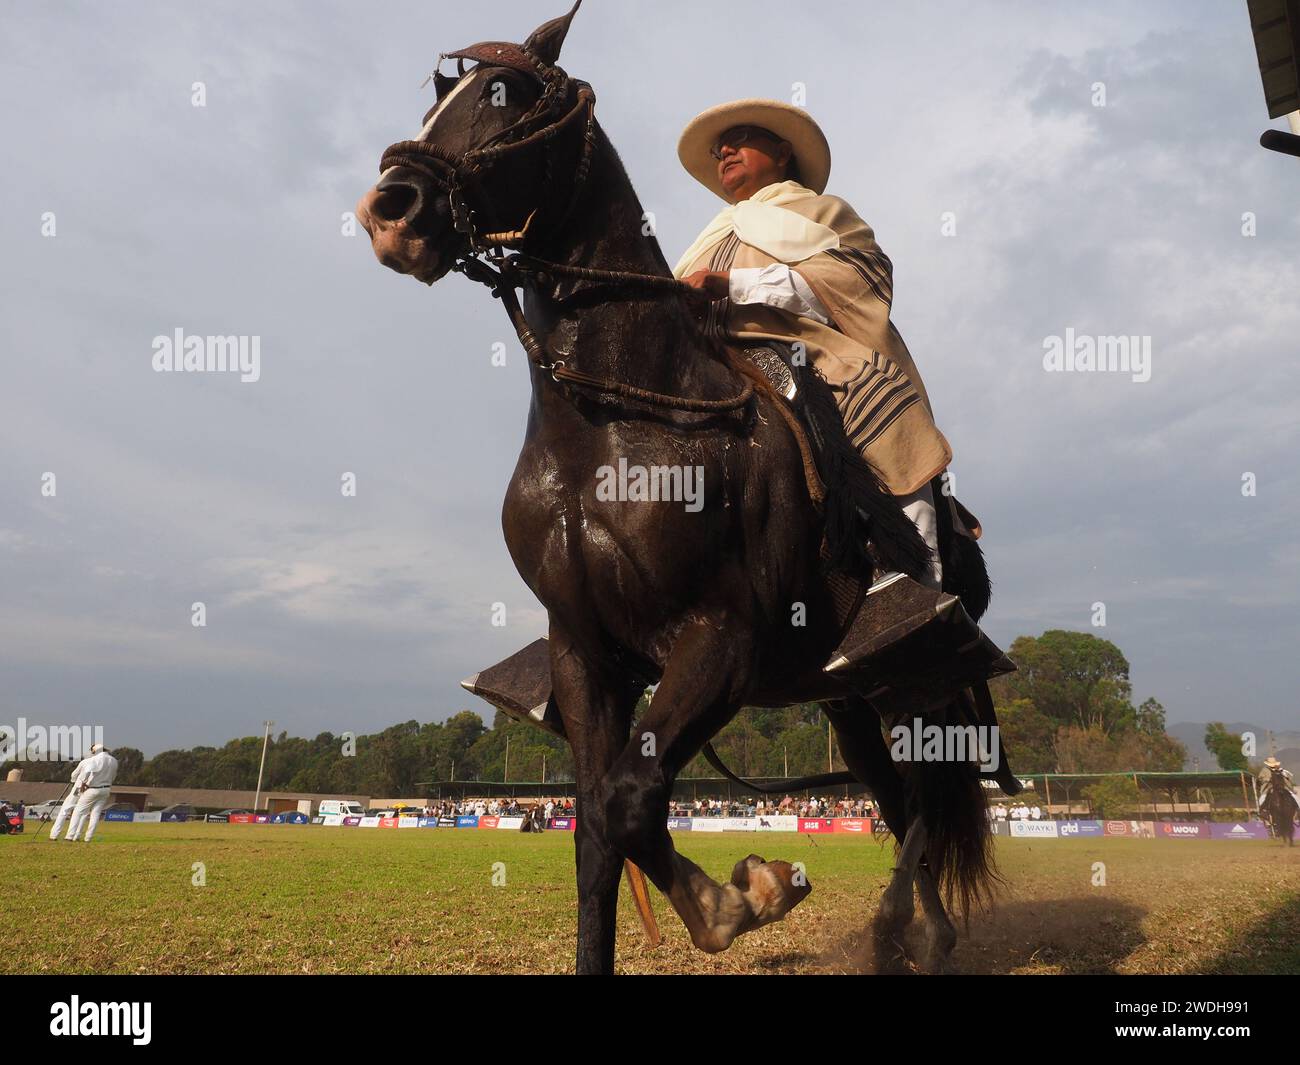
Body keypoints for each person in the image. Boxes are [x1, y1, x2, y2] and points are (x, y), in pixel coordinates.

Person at [674, 99, 982, 589]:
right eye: (718, 149)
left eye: (741, 138)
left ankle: (915, 585)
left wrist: (731, 285)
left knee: (881, 398)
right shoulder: (704, 239)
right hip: (706, 356)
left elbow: (860, 277)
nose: (725, 151)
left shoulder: (825, 212)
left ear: (781, 151)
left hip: (803, 344)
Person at [64, 743, 119, 843]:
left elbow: (86, 772)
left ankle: (70, 836)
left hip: (93, 789)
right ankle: (88, 838)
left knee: (78, 811)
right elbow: (114, 776)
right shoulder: (114, 761)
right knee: (95, 814)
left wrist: (83, 783)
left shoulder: (95, 759)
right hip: (106, 789)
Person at [48, 754, 90, 841]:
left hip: (79, 788)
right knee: (82, 813)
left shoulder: (85, 761)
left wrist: (73, 781)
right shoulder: (102, 763)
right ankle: (75, 836)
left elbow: (74, 774)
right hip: (90, 790)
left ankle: (54, 834)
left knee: (65, 809)